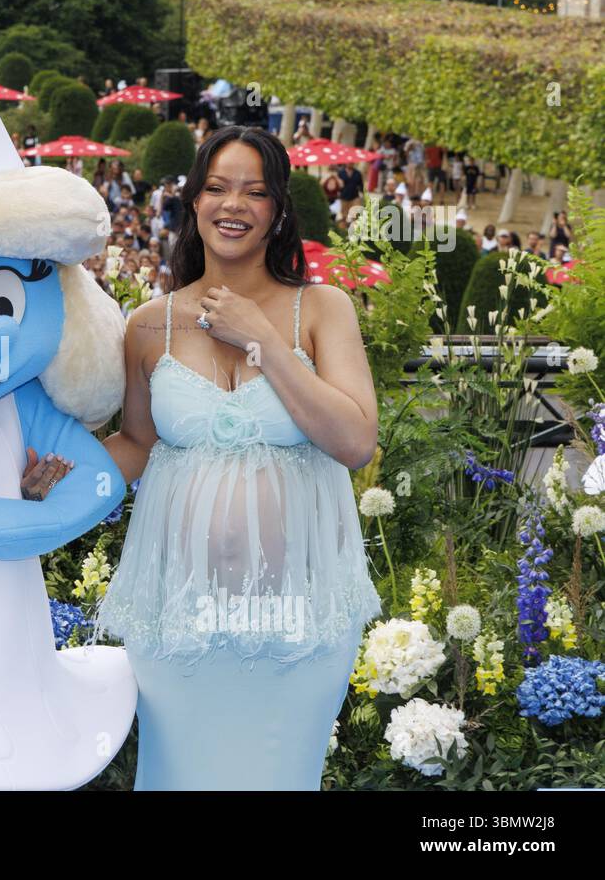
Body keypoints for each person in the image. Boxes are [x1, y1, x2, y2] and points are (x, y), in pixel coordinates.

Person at [78, 125, 381, 789]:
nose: (232, 203)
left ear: (278, 211)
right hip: (179, 623)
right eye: (216, 188)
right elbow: (135, 444)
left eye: (254, 190)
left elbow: (355, 441)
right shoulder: (148, 326)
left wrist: (265, 342)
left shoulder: (321, 308)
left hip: (297, 622)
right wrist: (57, 473)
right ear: (193, 204)